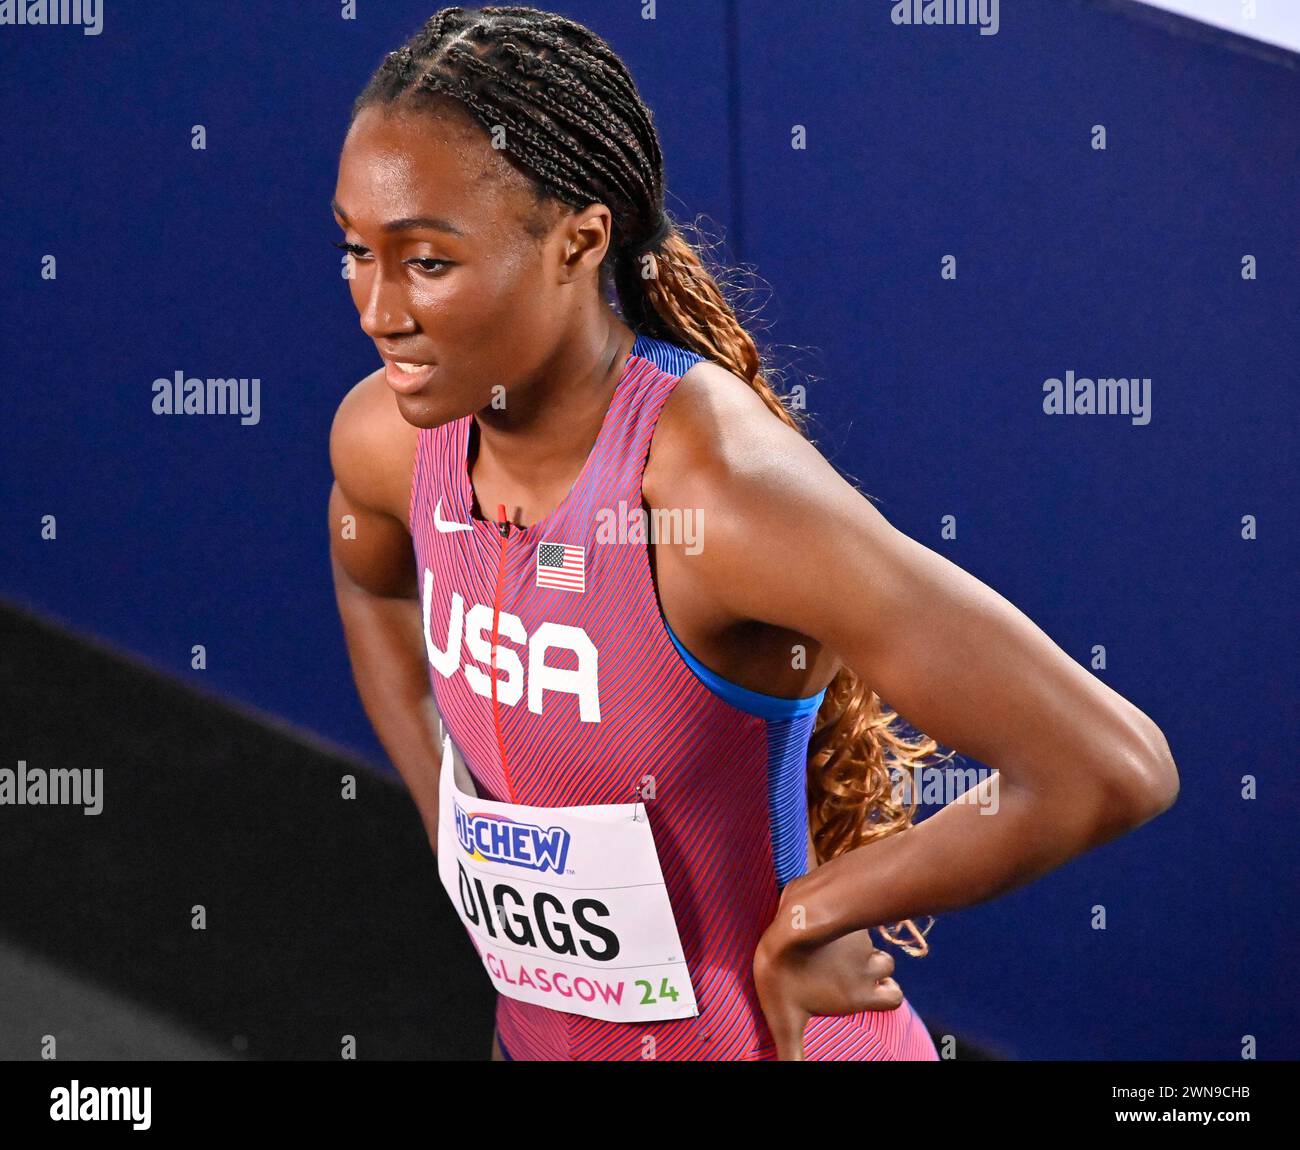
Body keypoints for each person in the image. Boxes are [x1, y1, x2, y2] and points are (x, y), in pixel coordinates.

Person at [327, 5, 1180, 1062]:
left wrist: (823, 911)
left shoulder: (713, 492)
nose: (376, 307)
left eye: (427, 262)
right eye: (357, 251)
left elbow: (1108, 764)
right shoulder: (387, 444)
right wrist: (458, 832)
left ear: (578, 241)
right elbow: (372, 585)